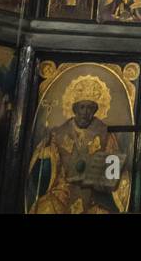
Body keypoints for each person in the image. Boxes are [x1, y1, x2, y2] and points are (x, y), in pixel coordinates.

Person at [29, 77, 125, 214]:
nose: (86, 112)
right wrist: (44, 152)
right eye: (82, 107)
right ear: (75, 109)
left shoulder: (105, 135)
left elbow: (113, 174)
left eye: (91, 108)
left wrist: (96, 180)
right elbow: (44, 172)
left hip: (93, 197)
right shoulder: (58, 134)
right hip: (62, 194)